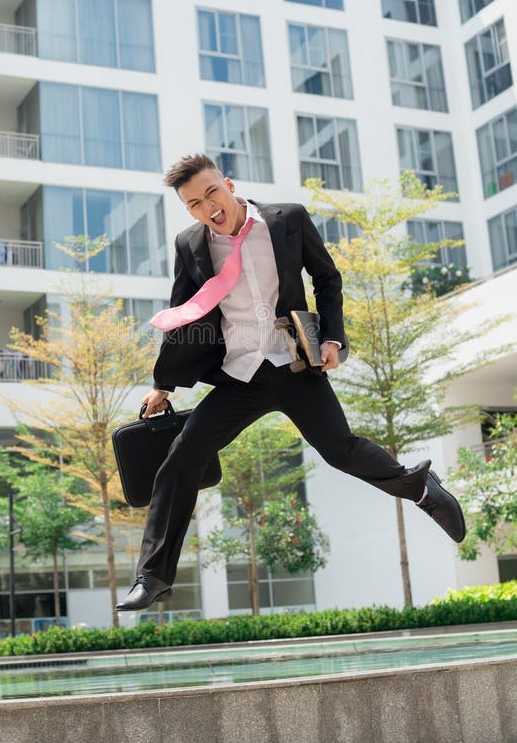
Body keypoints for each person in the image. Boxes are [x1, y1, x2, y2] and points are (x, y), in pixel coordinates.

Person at [116, 154, 465, 611]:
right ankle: (153, 578)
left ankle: (422, 489)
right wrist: (163, 385)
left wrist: (334, 339)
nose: (208, 208)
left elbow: (326, 276)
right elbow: (186, 312)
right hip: (239, 376)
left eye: (212, 194)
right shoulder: (190, 244)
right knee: (180, 459)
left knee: (342, 451)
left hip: (293, 366)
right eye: (195, 204)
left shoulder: (287, 219)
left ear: (228, 183)